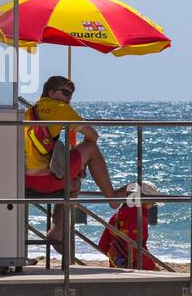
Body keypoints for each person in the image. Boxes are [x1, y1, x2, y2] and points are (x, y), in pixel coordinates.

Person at [25, 75, 127, 257]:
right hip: (45, 181)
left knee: (73, 184)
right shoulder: (61, 109)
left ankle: (56, 231)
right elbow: (93, 136)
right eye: (65, 93)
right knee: (91, 148)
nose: (68, 99)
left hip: (24, 182)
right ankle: (111, 198)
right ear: (51, 92)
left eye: (71, 95)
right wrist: (82, 162)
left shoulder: (29, 111)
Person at [98, 181, 160, 270]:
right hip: (134, 268)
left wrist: (116, 256)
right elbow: (135, 248)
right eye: (153, 202)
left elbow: (103, 245)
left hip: (117, 266)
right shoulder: (138, 217)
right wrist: (152, 266)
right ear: (147, 200)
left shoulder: (117, 216)